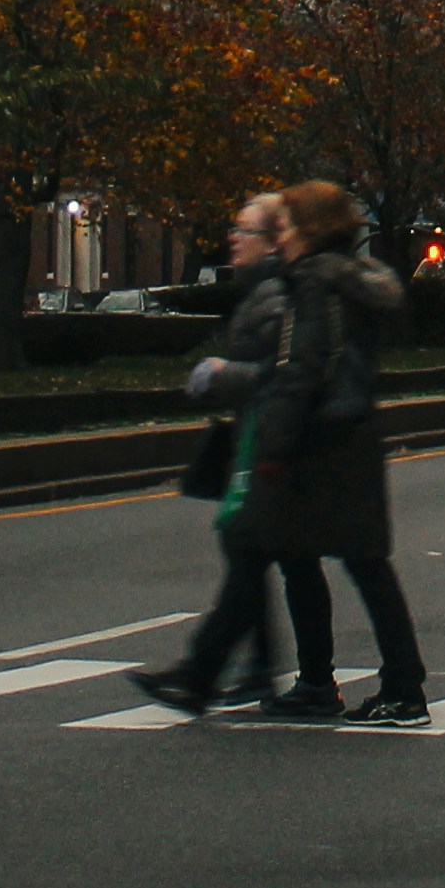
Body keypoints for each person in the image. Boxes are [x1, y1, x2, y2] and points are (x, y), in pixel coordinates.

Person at [237, 177, 427, 726]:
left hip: (321, 438)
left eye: (289, 224)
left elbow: (303, 368)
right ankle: (336, 681)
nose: (281, 236)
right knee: (333, 560)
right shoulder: (355, 278)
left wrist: (274, 443)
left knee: (340, 563)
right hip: (352, 432)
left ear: (312, 228)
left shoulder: (316, 281)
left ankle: (388, 687)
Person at [125, 196, 297, 718]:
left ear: (271, 242)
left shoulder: (272, 296)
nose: (232, 237)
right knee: (249, 557)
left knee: (246, 552)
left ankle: (203, 673)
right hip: (257, 443)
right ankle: (253, 672)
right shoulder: (262, 292)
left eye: (243, 230)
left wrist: (223, 374)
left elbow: (280, 375)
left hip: (266, 446)